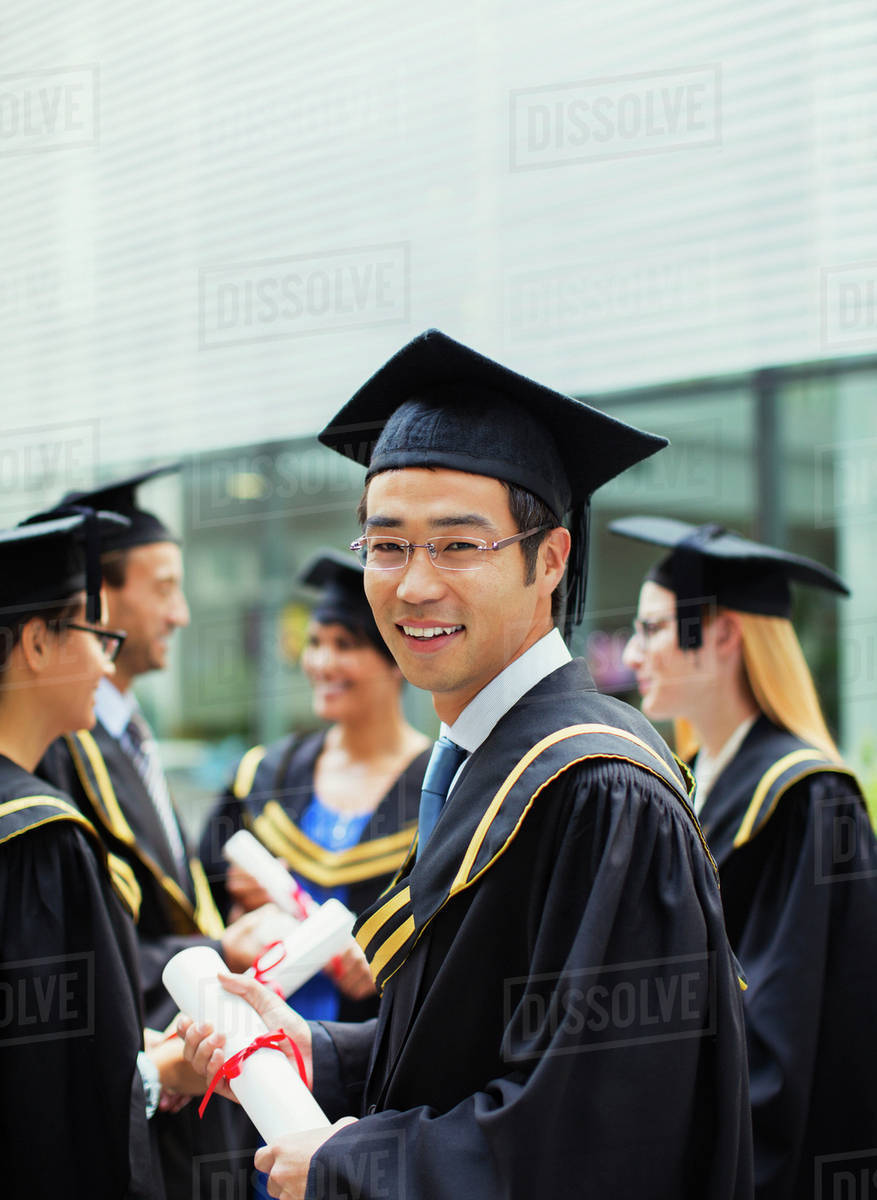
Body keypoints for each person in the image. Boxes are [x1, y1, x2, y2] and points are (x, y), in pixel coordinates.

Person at [181, 329, 753, 1200]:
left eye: (458, 544)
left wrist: (347, 1165)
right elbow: (484, 1041)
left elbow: (597, 1132)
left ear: (548, 561)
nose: (412, 584)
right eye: (386, 544)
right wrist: (319, 1050)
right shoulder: (485, 761)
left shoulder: (596, 791)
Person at [612, 514, 877, 1200]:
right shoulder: (693, 783)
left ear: (722, 635)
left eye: (651, 628)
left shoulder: (807, 798)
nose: (629, 653)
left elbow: (784, 1034)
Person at [37, 467, 269, 1200]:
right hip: (139, 1088)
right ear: (101, 599)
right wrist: (214, 949)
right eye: (164, 586)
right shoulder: (52, 749)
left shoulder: (134, 730)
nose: (182, 612)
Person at [0, 512, 204, 1198]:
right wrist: (161, 1071)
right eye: (93, 633)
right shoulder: (38, 840)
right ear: (35, 641)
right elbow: (44, 1097)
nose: (104, 660)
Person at [201, 548, 431, 1024]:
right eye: (315, 642)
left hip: (371, 1055)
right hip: (253, 1042)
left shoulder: (441, 791)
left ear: (394, 658)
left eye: (346, 644)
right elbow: (200, 907)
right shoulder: (266, 775)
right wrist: (236, 901)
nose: (322, 663)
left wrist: (391, 962)